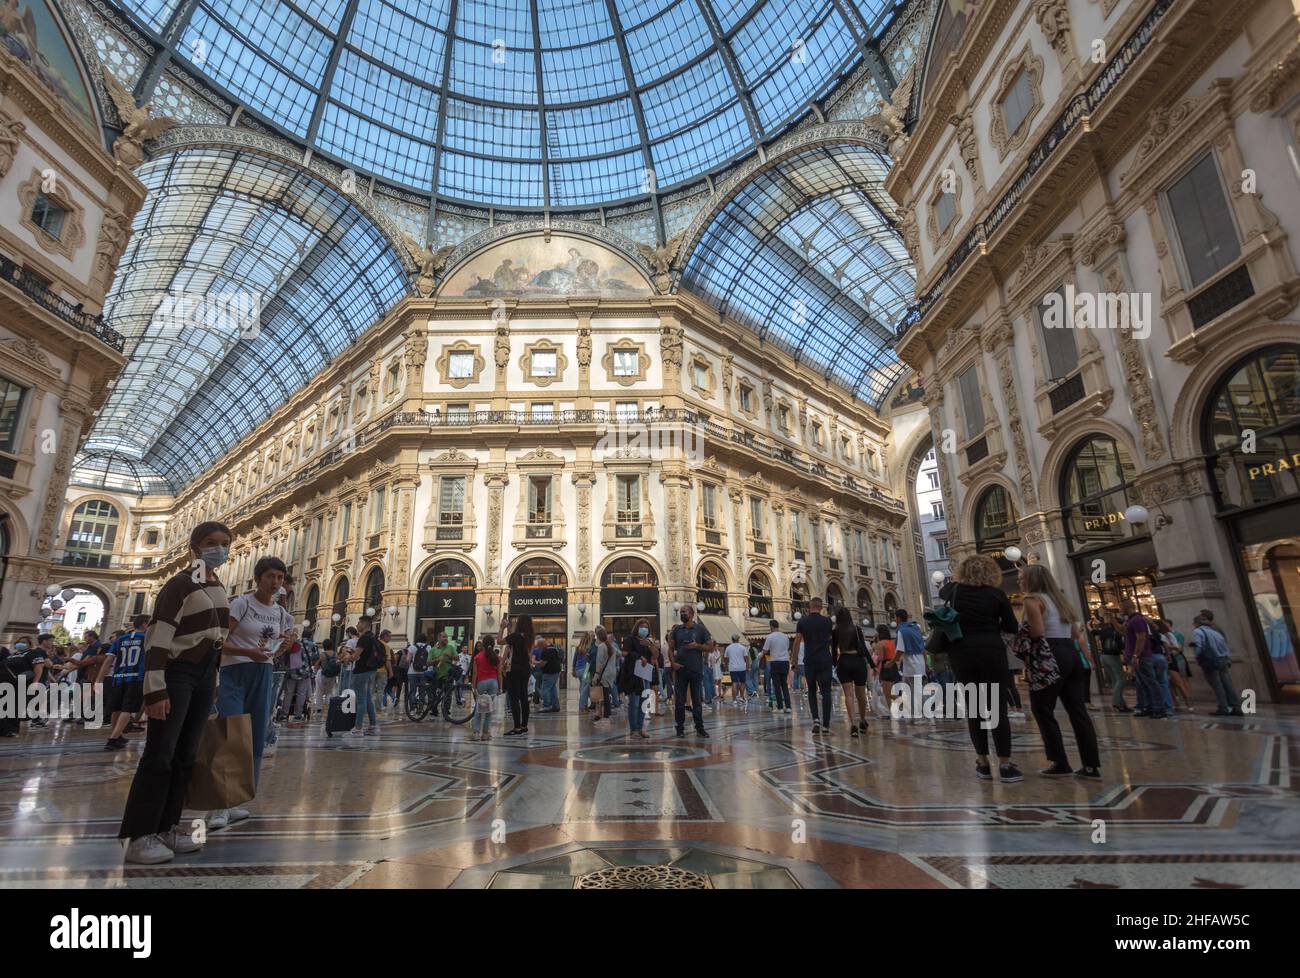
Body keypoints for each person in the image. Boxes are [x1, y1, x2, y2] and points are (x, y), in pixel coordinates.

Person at [119, 522, 232, 865]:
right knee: (160, 753)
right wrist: (154, 691)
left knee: (186, 754)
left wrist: (212, 681)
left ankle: (168, 826)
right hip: (177, 672)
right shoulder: (180, 584)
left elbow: (218, 638)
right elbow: (158, 637)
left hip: (202, 675)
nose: (219, 549)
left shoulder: (217, 586)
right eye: (211, 543)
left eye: (224, 543)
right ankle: (140, 836)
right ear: (195, 547)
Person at [940, 556, 1022, 782]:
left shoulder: (954, 591)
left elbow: (942, 592)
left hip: (962, 653)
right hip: (991, 651)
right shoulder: (996, 594)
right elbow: (1011, 627)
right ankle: (1005, 765)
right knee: (997, 708)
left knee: (974, 708)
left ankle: (983, 763)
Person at [1019, 564, 1101, 779]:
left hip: (1048, 653)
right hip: (1070, 653)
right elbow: (1075, 633)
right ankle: (1091, 765)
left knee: (1042, 709)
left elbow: (1037, 631)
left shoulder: (1032, 600)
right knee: (1078, 710)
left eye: (1022, 577)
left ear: (1031, 580)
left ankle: (1060, 762)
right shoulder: (1060, 600)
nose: (1019, 581)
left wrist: (1022, 633)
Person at [99, 615, 148, 751]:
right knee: (128, 709)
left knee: (117, 708)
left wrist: (99, 679)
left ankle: (118, 734)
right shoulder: (146, 639)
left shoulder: (120, 639)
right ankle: (113, 739)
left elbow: (108, 661)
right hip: (136, 677)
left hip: (119, 676)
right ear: (144, 624)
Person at [793, 597, 835, 734]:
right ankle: (826, 724)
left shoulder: (802, 621)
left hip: (809, 661)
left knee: (811, 690)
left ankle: (816, 719)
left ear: (809, 607)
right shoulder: (827, 621)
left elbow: (797, 642)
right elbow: (831, 640)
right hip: (825, 660)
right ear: (821, 607)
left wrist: (793, 661)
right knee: (826, 691)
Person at [667, 605, 710, 738]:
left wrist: (697, 646)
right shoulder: (676, 630)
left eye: (684, 612)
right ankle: (679, 728)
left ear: (691, 613)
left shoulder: (701, 629)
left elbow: (710, 647)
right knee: (680, 700)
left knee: (696, 700)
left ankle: (700, 728)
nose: (682, 614)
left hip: (696, 669)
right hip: (680, 669)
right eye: (680, 612)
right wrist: (673, 663)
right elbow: (670, 648)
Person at [1188, 612, 1243, 716]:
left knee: (1216, 685)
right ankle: (1235, 707)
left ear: (1196, 623)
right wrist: (1227, 658)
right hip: (1223, 659)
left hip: (1210, 660)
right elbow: (1224, 645)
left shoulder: (1198, 631)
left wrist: (1197, 656)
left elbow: (1199, 646)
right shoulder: (1215, 631)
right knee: (1228, 684)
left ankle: (1223, 708)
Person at [1122, 602, 1166, 720]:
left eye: (1122, 607)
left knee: (1151, 682)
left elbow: (1141, 637)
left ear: (1128, 607)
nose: (1120, 609)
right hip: (1135, 656)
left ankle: (1159, 708)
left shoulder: (1137, 620)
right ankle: (1149, 707)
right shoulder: (1131, 620)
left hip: (1141, 657)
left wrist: (1136, 655)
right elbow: (1124, 632)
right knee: (1143, 683)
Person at [343, 615, 384, 737]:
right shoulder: (373, 637)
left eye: (359, 623)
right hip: (371, 670)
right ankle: (373, 726)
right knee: (367, 698)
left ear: (364, 624)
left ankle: (358, 728)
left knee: (360, 700)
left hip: (362, 671)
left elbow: (356, 656)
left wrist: (347, 658)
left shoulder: (364, 638)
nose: (357, 625)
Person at [831, 608, 870, 736]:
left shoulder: (836, 631)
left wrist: (835, 664)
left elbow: (833, 650)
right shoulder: (857, 629)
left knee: (848, 695)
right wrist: (873, 664)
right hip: (858, 661)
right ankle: (863, 720)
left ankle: (853, 724)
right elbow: (864, 648)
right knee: (861, 694)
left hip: (844, 660)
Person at [619, 618, 656, 740]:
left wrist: (650, 645)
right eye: (642, 626)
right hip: (633, 675)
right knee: (634, 703)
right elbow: (624, 653)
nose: (644, 629)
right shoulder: (631, 639)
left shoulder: (648, 641)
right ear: (637, 628)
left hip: (645, 675)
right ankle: (633, 729)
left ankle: (640, 729)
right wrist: (639, 656)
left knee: (643, 703)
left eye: (646, 627)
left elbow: (656, 655)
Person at [501, 615, 534, 736]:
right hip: (525, 669)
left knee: (514, 698)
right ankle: (524, 725)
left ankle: (517, 727)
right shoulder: (530, 637)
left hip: (514, 669)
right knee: (524, 696)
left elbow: (499, 641)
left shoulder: (515, 637)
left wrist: (501, 628)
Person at [1095, 612, 1128, 711]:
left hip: (1103, 656)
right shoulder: (1117, 632)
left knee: (1115, 680)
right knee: (1121, 679)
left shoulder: (1104, 631)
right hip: (1113, 656)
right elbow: (1121, 646)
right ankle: (1116, 702)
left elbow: (1093, 632)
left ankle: (1121, 704)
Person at [894, 609, 926, 712]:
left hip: (911, 665)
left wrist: (891, 662)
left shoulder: (901, 631)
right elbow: (923, 648)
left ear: (898, 618)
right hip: (919, 663)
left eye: (895, 617)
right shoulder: (916, 628)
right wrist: (926, 663)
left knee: (914, 690)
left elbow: (899, 650)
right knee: (910, 689)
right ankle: (913, 712)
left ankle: (920, 713)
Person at [469, 635, 500, 742]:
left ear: (483, 644)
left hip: (482, 682)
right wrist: (500, 687)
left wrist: (473, 686)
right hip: (493, 683)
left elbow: (475, 673)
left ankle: (476, 733)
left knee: (479, 708)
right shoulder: (496, 657)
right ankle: (486, 733)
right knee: (488, 710)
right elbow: (499, 673)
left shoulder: (477, 657)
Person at [1160, 619, 1193, 711]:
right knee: (1171, 683)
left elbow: (1176, 647)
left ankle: (1186, 702)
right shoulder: (1168, 635)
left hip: (1169, 659)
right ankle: (1178, 703)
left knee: (1177, 682)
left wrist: (1169, 648)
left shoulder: (1164, 635)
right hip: (1170, 658)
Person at [590, 626, 619, 724]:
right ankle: (602, 715)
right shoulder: (611, 646)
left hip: (604, 674)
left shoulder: (601, 646)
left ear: (598, 636)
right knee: (606, 694)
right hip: (611, 673)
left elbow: (600, 663)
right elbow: (619, 654)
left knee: (604, 695)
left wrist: (596, 676)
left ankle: (606, 716)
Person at [763, 620, 792, 714]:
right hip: (785, 663)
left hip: (775, 662)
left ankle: (780, 707)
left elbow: (765, 650)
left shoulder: (770, 637)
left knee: (777, 686)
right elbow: (787, 648)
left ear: (771, 626)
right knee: (784, 685)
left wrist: (759, 656)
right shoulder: (785, 637)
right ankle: (788, 707)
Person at [875, 625, 899, 706]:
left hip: (886, 666)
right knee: (890, 691)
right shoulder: (891, 642)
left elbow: (881, 658)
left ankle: (902, 703)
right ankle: (892, 711)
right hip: (893, 665)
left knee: (887, 693)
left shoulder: (880, 643)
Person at [724, 634, 749, 710]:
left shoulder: (728, 648)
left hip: (733, 668)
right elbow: (746, 658)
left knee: (734, 683)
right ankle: (741, 697)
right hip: (742, 668)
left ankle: (734, 700)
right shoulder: (743, 647)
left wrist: (726, 665)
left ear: (732, 639)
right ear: (738, 639)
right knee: (742, 682)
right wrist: (747, 667)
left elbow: (725, 658)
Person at [315, 639, 339, 713]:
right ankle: (329, 706)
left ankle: (319, 708)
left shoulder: (323, 654)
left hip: (323, 674)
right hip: (332, 675)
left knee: (319, 691)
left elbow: (317, 665)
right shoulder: (335, 654)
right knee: (329, 691)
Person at [538, 640, 562, 713]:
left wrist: (534, 662)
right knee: (552, 688)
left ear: (543, 644)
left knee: (545, 689)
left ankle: (546, 706)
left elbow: (542, 664)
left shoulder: (545, 651)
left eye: (540, 646)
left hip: (549, 673)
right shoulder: (554, 649)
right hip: (556, 671)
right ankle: (555, 706)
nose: (539, 648)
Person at [573, 633, 591, 712]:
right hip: (586, 669)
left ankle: (585, 706)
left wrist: (573, 670)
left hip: (578, 669)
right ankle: (582, 707)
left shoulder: (578, 648)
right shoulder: (589, 648)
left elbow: (574, 660)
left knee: (582, 687)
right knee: (585, 689)